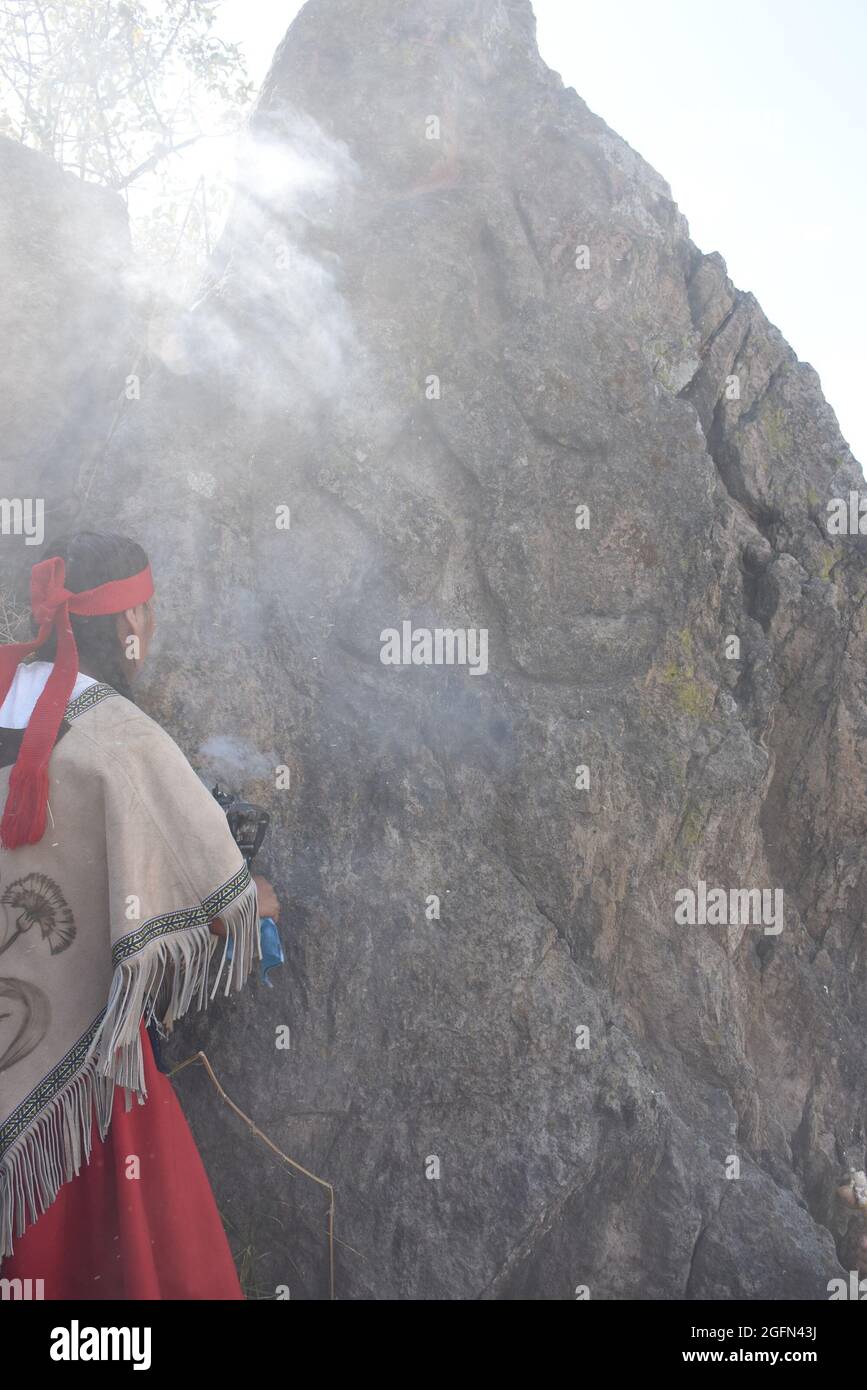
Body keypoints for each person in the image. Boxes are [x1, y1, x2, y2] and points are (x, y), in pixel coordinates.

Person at [0, 531, 279, 1299]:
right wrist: (259, 898)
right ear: (128, 628)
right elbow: (221, 910)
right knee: (129, 1269)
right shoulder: (124, 742)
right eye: (148, 615)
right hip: (78, 1083)